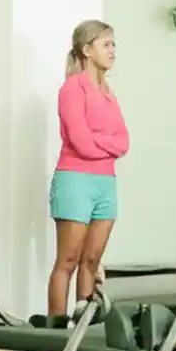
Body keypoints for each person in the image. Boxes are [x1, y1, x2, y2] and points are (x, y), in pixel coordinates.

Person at [46, 19, 128, 319]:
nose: (112, 51)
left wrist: (99, 141)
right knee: (68, 259)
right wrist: (106, 143)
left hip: (105, 183)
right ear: (87, 49)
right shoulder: (72, 89)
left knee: (92, 260)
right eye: (106, 45)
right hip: (75, 180)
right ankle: (56, 328)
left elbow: (124, 141)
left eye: (113, 44)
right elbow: (81, 143)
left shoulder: (108, 91)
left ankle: (87, 325)